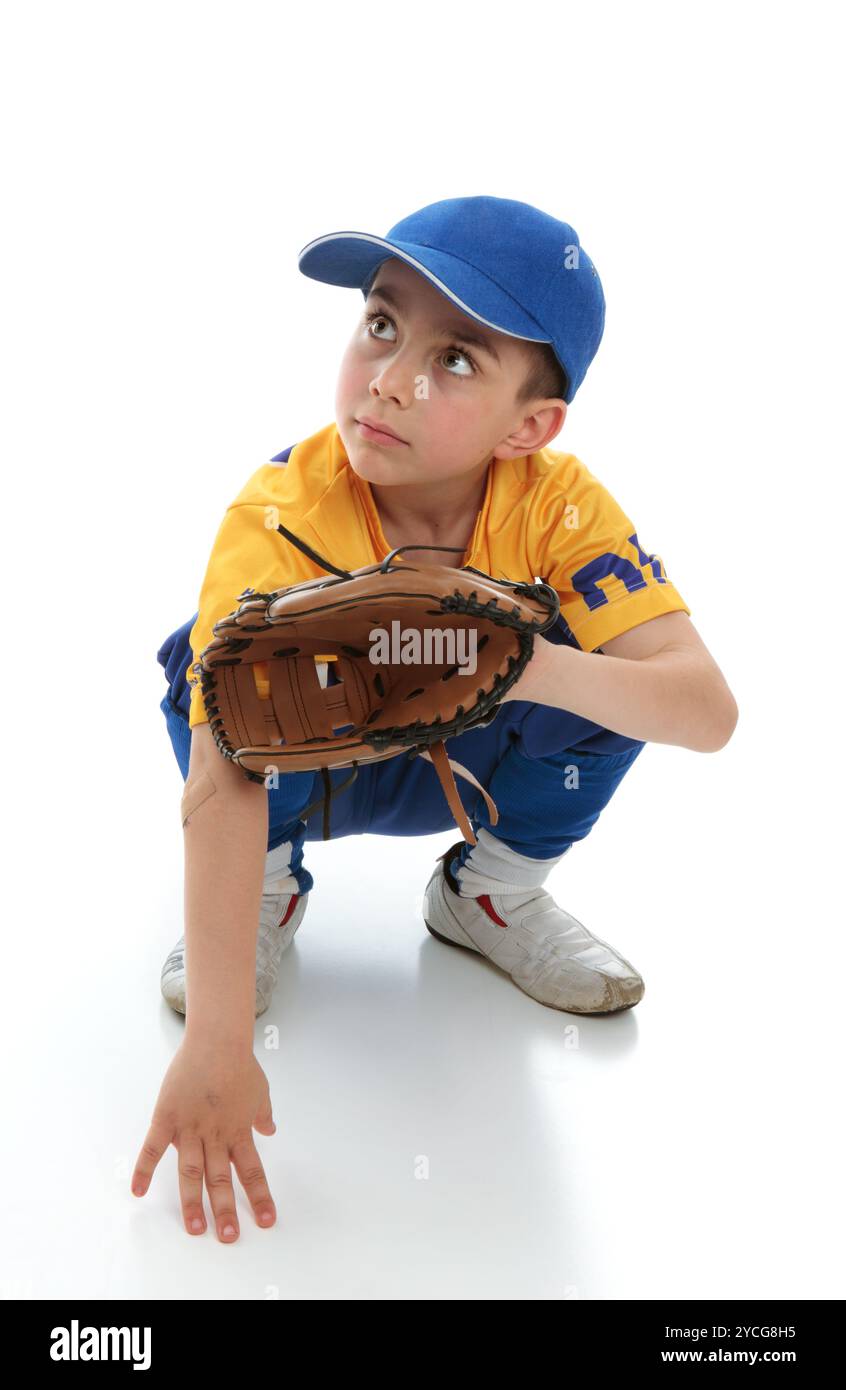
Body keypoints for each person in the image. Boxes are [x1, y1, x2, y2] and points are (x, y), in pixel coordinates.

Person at [134, 196, 739, 1241]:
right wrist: (219, 1041)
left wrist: (526, 666)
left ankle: (486, 897)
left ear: (529, 426)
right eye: (381, 324)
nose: (390, 378)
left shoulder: (556, 504)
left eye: (456, 357)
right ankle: (261, 897)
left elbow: (706, 708)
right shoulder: (281, 508)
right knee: (215, 665)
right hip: (308, 775)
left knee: (611, 670)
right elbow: (219, 773)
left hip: (467, 769)